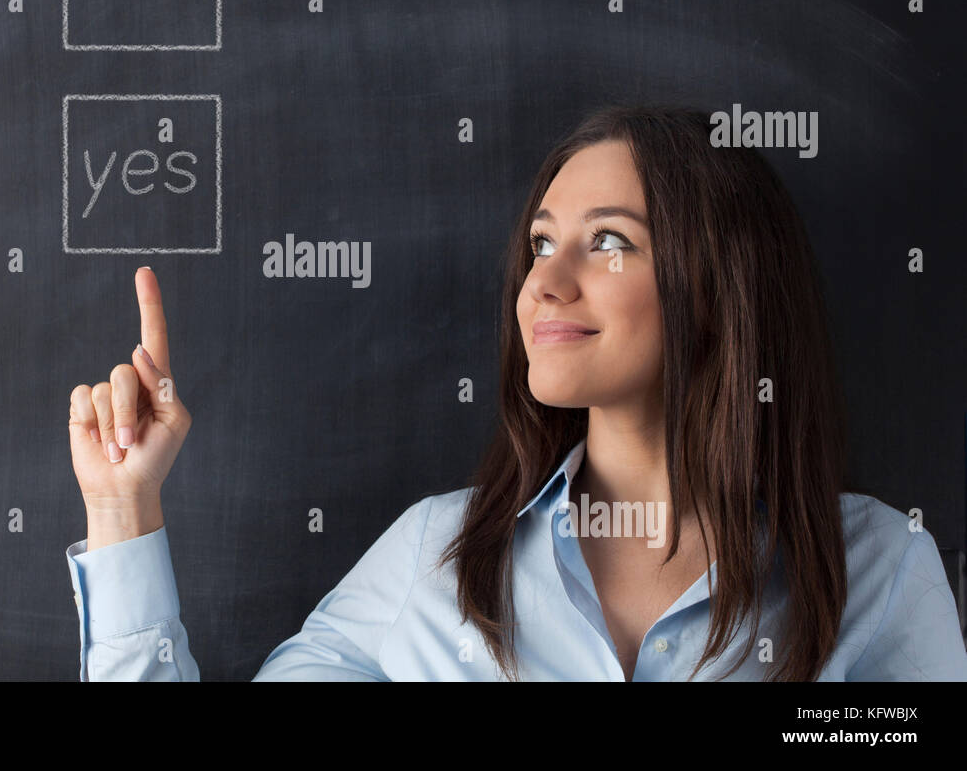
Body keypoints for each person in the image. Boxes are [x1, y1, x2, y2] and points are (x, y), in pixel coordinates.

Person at [63, 105, 967, 681]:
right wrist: (122, 506)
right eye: (541, 243)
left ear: (718, 284)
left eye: (606, 241)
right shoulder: (434, 556)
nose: (544, 282)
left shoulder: (880, 572)